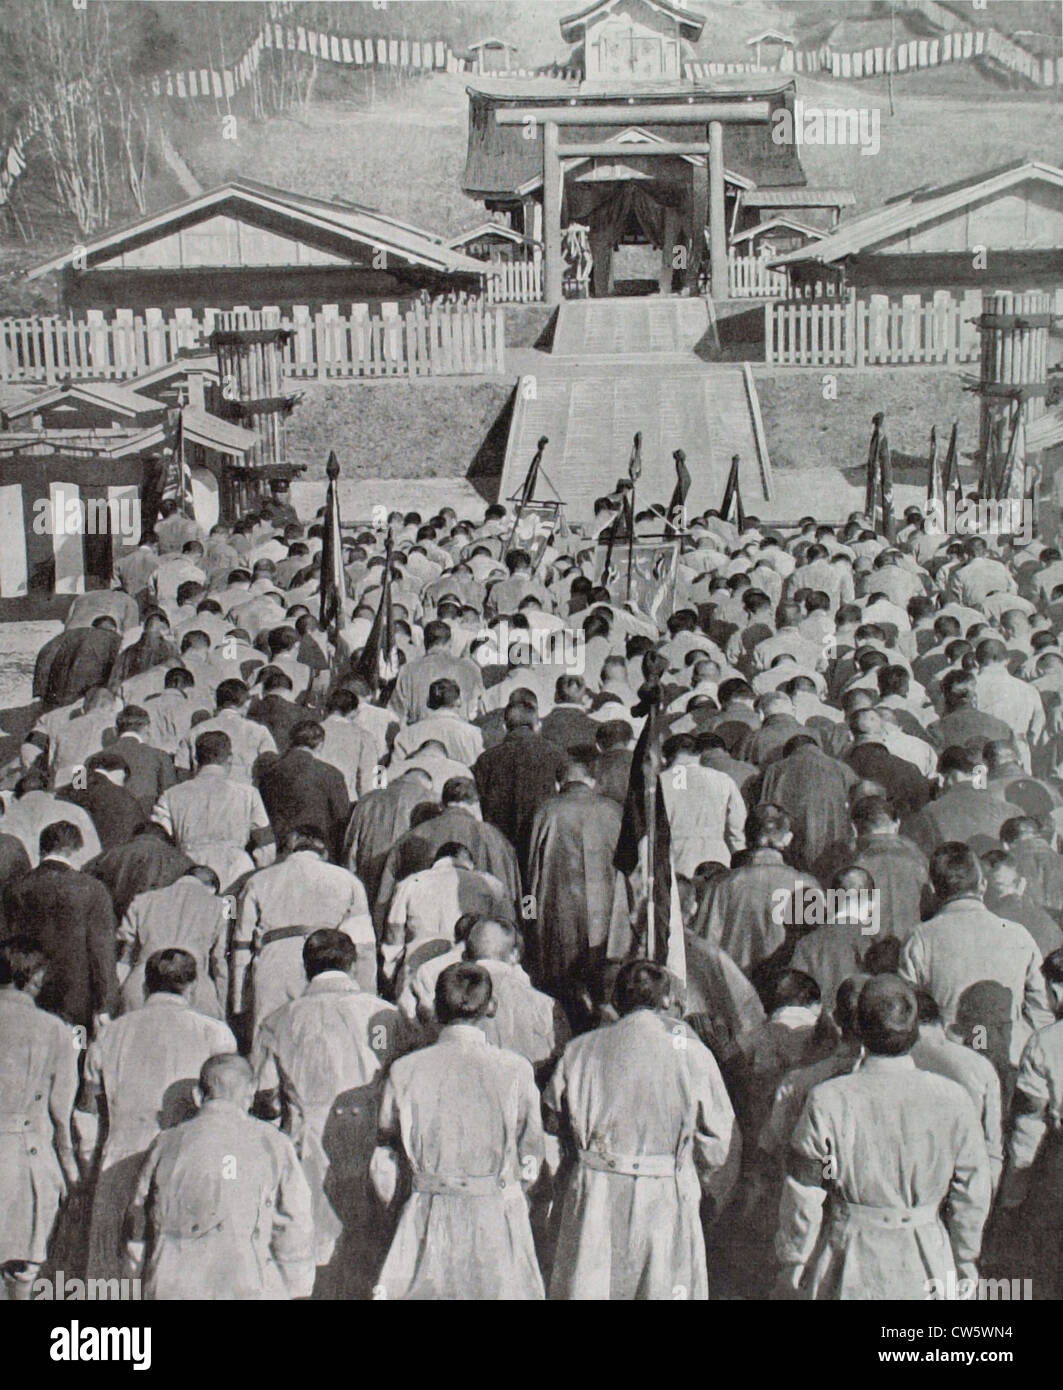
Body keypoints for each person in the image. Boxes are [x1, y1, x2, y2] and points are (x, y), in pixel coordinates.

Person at [775, 974, 991, 1299]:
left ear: (859, 1028)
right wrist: (965, 1255)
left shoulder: (828, 1098)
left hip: (849, 1257)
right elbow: (972, 1190)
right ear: (914, 1030)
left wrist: (796, 1256)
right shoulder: (953, 1098)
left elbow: (805, 1190)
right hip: (926, 1257)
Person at [543, 959, 737, 1301]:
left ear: (616, 1000)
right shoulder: (691, 1053)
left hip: (595, 1194)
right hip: (662, 1196)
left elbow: (552, 1121)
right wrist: (702, 1183)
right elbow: (720, 1138)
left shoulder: (580, 1049)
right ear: (666, 1001)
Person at [371, 962, 545, 1300]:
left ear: (436, 1007)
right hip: (495, 1213)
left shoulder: (405, 1070)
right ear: (491, 1007)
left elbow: (385, 1150)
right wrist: (516, 1195)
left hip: (426, 1213)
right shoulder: (515, 1069)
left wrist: (402, 1202)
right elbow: (531, 1152)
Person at [252, 930, 406, 1298]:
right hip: (374, 1149)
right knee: (371, 1258)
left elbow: (265, 1099)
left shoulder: (279, 1020)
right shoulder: (384, 1016)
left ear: (305, 968)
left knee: (315, 1258)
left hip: (310, 1150)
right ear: (353, 965)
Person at [75, 949, 237, 1281]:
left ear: (146, 986)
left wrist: (90, 1164)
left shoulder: (110, 1034)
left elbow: (87, 1112)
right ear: (192, 987)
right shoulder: (216, 1034)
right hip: (188, 1165)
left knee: (112, 1276)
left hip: (120, 1161)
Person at [126, 1053, 315, 1300]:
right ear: (250, 1092)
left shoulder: (165, 1142)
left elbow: (136, 1221)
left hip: (170, 1286)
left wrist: (141, 1277)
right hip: (244, 1285)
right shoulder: (274, 1144)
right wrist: (297, 1287)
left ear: (197, 1096)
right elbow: (295, 1223)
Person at [899, 843, 1053, 1094]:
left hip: (947, 1070)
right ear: (982, 885)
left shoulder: (920, 938)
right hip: (1009, 1063)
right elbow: (1042, 1009)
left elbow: (909, 1011)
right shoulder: (1018, 935)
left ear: (933, 890)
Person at [236, 827, 375, 1034]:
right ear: (324, 852)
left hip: (274, 964)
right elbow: (364, 947)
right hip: (327, 962)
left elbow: (241, 945)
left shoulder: (258, 880)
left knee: (269, 1034)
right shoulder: (348, 880)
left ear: (289, 849)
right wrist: (368, 994)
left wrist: (239, 1001)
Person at [0, 938, 78, 1277]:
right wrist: (70, 1169)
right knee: (23, 1267)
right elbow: (61, 1112)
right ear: (35, 977)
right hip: (24, 1158)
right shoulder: (55, 1030)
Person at [2, 820, 118, 1033]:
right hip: (76, 1003)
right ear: (75, 851)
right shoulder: (93, 889)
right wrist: (105, 1006)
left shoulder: (15, 889)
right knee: (75, 1051)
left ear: (41, 851)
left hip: (26, 997)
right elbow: (102, 952)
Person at [526, 749, 623, 998]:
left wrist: (529, 919)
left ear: (558, 784)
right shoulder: (613, 810)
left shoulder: (545, 811)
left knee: (562, 985)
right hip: (608, 910)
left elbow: (530, 874)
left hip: (557, 912)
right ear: (591, 781)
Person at [151, 731, 275, 892]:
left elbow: (158, 839)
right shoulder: (248, 794)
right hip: (236, 871)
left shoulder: (171, 795)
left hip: (190, 870)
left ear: (196, 759)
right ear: (230, 758)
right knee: (230, 907)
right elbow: (265, 845)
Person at [117, 866, 230, 1019]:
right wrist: (221, 1007)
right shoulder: (221, 906)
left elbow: (124, 954)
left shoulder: (143, 899)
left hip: (142, 983)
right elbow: (220, 962)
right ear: (212, 888)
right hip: (194, 985)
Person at [473, 701, 568, 884]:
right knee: (533, 889)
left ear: (504, 727)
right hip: (539, 838)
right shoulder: (555, 753)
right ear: (537, 725)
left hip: (500, 843)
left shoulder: (486, 759)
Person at [257, 721, 351, 864]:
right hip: (316, 853)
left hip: (277, 854)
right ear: (320, 745)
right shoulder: (330, 773)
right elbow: (342, 819)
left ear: (291, 741)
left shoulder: (269, 772)